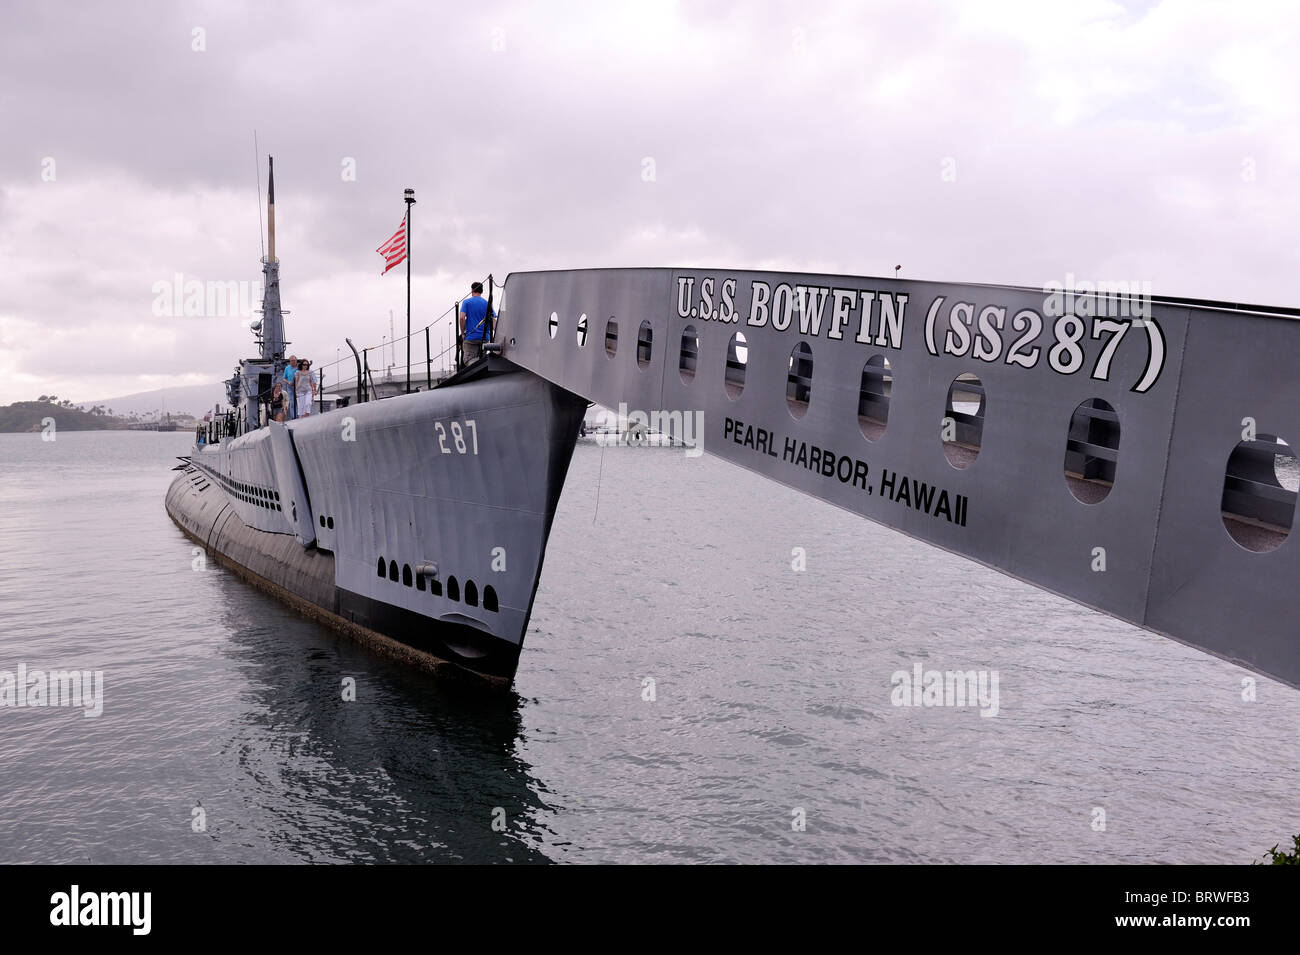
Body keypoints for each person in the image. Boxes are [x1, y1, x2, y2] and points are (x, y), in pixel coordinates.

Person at [459, 282, 495, 365]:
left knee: (468, 360)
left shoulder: (466, 302)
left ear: (472, 290)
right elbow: (493, 320)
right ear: (481, 291)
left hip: (471, 338)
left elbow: (461, 318)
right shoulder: (487, 303)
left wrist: (462, 333)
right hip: (485, 338)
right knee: (482, 360)